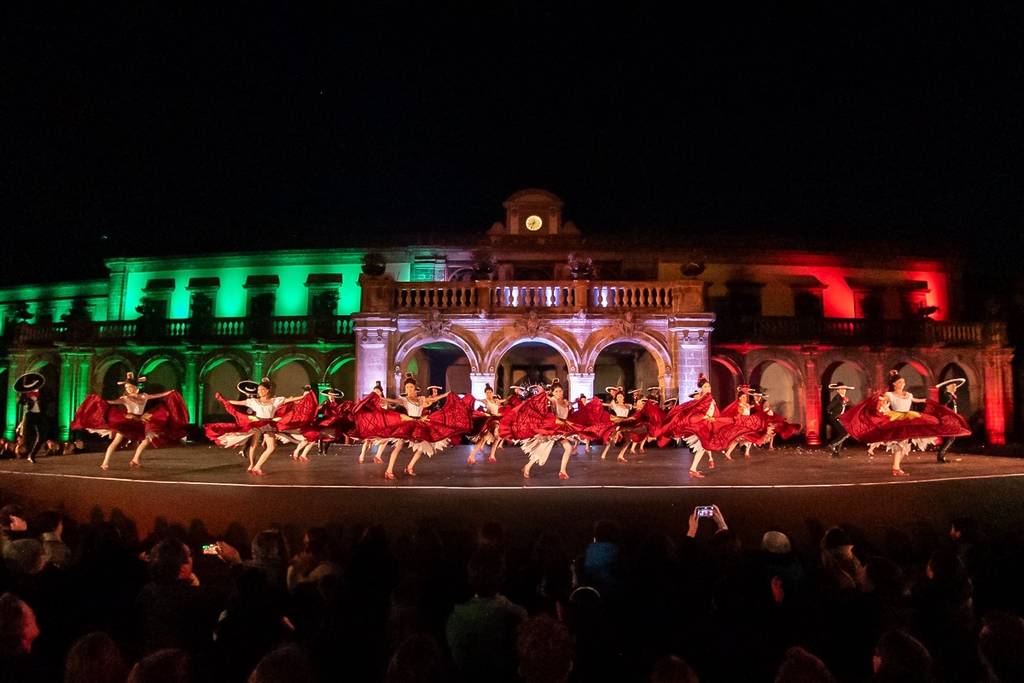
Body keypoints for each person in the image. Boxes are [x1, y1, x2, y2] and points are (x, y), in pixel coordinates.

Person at [840, 370, 970, 476]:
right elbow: (882, 400)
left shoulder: (908, 394)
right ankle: (896, 468)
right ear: (895, 384)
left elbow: (917, 400)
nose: (902, 383)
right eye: (900, 382)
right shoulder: (889, 394)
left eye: (903, 382)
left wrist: (929, 402)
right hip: (897, 419)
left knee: (904, 444)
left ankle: (896, 467)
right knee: (901, 444)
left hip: (910, 417)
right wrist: (878, 400)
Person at [72, 372, 189, 470]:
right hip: (127, 421)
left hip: (140, 421)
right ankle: (105, 462)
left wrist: (171, 392)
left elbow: (158, 395)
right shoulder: (125, 398)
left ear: (136, 388)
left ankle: (135, 459)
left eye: (130, 387)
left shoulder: (144, 396)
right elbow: (110, 402)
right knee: (116, 441)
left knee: (147, 439)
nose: (128, 390)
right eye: (126, 388)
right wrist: (98, 400)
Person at [208, 377, 314, 475]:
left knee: (271, 447)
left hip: (269, 424)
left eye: (261, 389)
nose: (259, 391)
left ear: (267, 390)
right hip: (257, 424)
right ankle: (253, 466)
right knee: (253, 446)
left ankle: (257, 466)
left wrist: (305, 396)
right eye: (258, 389)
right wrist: (223, 400)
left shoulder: (276, 401)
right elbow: (237, 403)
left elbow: (291, 400)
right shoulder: (253, 401)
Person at [520, 380, 581, 480]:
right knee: (542, 449)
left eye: (560, 391)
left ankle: (562, 471)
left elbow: (570, 406)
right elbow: (546, 398)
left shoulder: (565, 402)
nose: (559, 393)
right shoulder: (553, 400)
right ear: (552, 392)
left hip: (562, 429)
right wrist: (543, 392)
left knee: (568, 448)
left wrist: (578, 401)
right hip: (553, 429)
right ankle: (528, 466)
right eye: (556, 391)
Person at [467, 383, 506, 465]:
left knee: (496, 437)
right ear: (485, 393)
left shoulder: (496, 401)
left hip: (496, 419)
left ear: (492, 392)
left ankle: (491, 455)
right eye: (487, 392)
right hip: (489, 420)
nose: (489, 394)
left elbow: (506, 400)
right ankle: (471, 456)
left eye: (490, 392)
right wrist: (470, 398)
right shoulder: (486, 400)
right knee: (482, 439)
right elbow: (476, 399)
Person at [13, 372, 48, 464]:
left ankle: (32, 454)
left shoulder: (42, 393)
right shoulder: (25, 394)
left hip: (39, 415)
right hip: (30, 415)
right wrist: (25, 397)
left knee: (42, 437)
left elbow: (50, 398)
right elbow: (19, 402)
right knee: (26, 436)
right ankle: (22, 453)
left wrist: (41, 399)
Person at [935, 377, 964, 463]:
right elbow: (943, 407)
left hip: (951, 419)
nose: (955, 387)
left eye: (955, 385)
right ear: (948, 386)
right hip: (948, 419)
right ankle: (940, 455)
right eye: (953, 385)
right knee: (951, 437)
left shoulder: (950, 396)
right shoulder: (947, 396)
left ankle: (941, 455)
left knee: (950, 437)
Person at [825, 382, 854, 457]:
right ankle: (832, 445)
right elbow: (828, 408)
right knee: (845, 433)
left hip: (840, 418)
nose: (843, 390)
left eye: (844, 389)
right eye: (841, 389)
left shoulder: (845, 398)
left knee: (843, 434)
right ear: (837, 390)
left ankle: (836, 452)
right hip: (834, 418)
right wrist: (835, 415)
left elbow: (853, 407)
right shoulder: (837, 398)